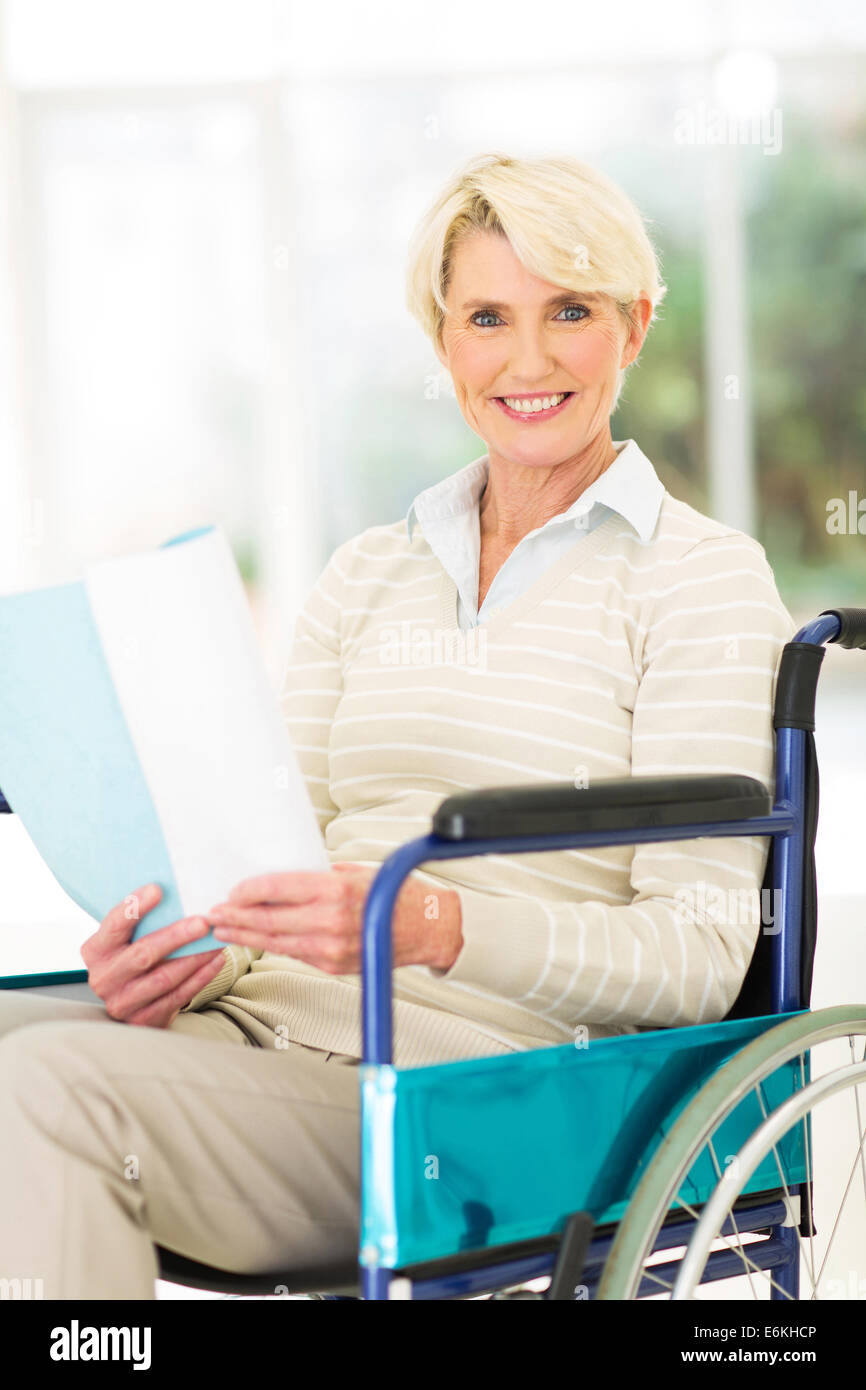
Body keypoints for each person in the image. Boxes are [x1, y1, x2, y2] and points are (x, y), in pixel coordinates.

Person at [0, 152, 795, 1298]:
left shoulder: (700, 580)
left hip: (482, 1095)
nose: (526, 359)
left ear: (634, 323)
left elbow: (691, 958)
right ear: (443, 342)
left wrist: (431, 926)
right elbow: (266, 871)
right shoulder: (367, 573)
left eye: (567, 310)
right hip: (260, 1028)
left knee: (49, 1093)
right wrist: (176, 951)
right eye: (486, 317)